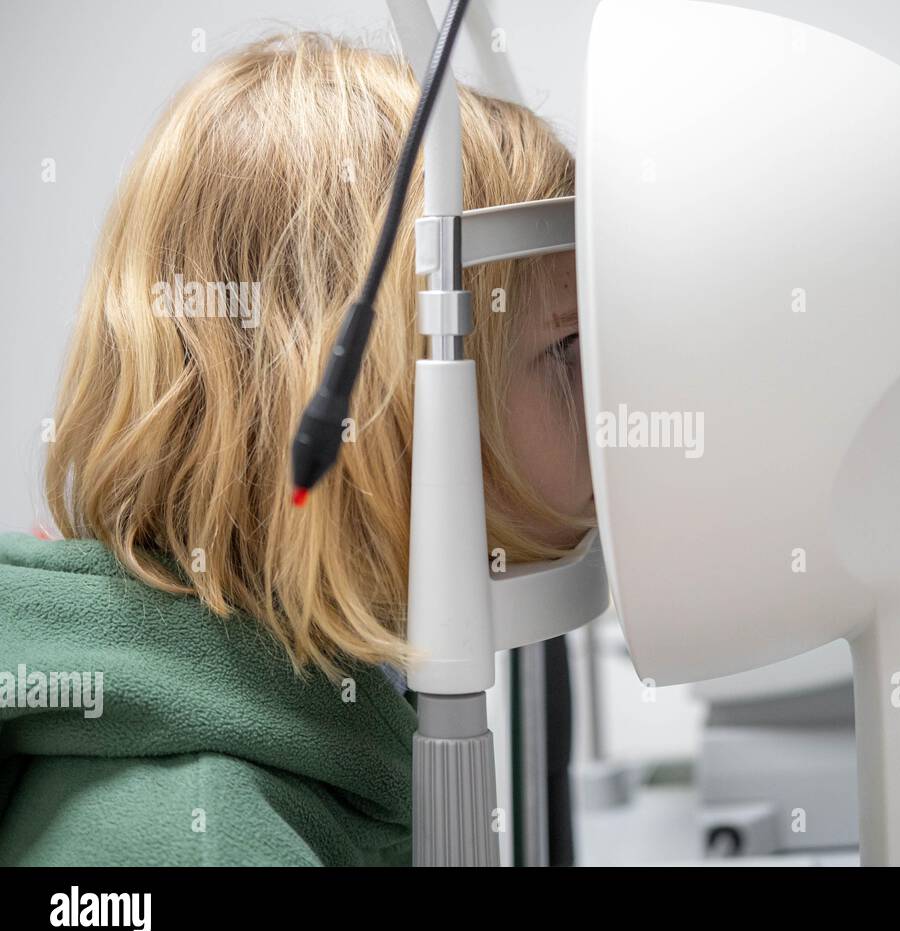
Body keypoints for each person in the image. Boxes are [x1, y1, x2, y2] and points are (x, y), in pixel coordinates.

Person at [0, 32, 593, 865]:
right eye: (567, 349)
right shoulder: (196, 841)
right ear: (383, 402)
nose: (606, 405)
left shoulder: (349, 721)